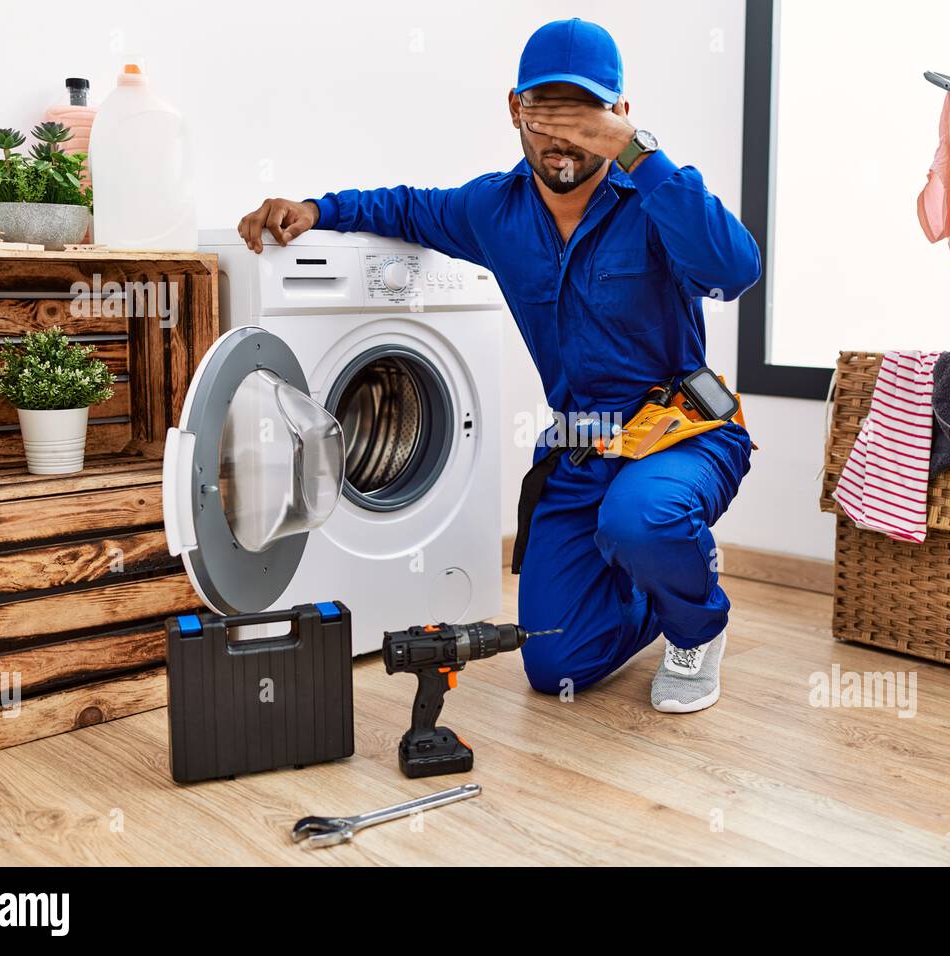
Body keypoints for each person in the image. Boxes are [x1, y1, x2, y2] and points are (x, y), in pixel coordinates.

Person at [237, 18, 760, 713]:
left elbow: (734, 271)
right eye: (546, 110)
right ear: (515, 109)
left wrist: (638, 155)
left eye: (587, 113)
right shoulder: (494, 208)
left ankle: (698, 623)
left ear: (620, 116)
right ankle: (657, 587)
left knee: (643, 518)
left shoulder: (655, 200)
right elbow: (406, 209)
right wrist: (313, 208)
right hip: (583, 449)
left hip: (683, 435)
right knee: (554, 663)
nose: (563, 134)